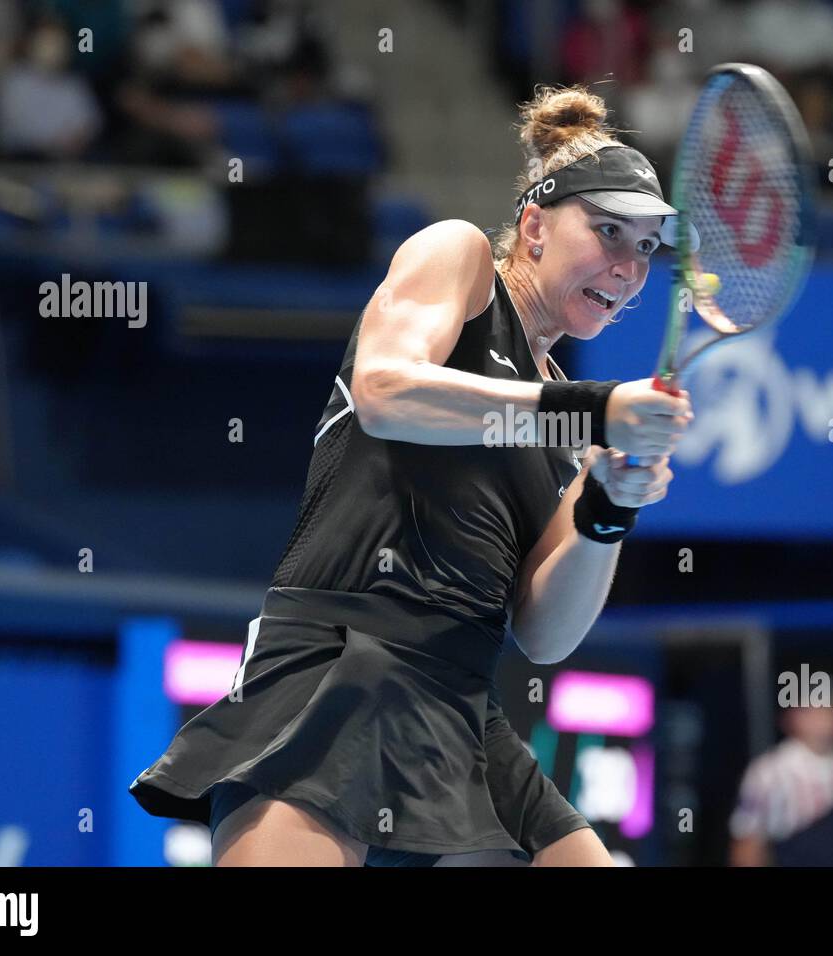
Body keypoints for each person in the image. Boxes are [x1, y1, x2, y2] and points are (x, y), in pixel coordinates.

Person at [129, 84, 694, 867]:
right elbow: (385, 391)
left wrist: (609, 502)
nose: (629, 266)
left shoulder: (569, 429)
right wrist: (592, 407)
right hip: (339, 660)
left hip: (463, 703)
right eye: (608, 232)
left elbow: (545, 633)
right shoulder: (457, 258)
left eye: (644, 247)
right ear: (533, 225)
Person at [729, 704, 833, 867]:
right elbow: (748, 842)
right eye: (815, 712)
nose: (825, 721)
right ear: (792, 716)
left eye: (832, 711)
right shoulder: (767, 773)